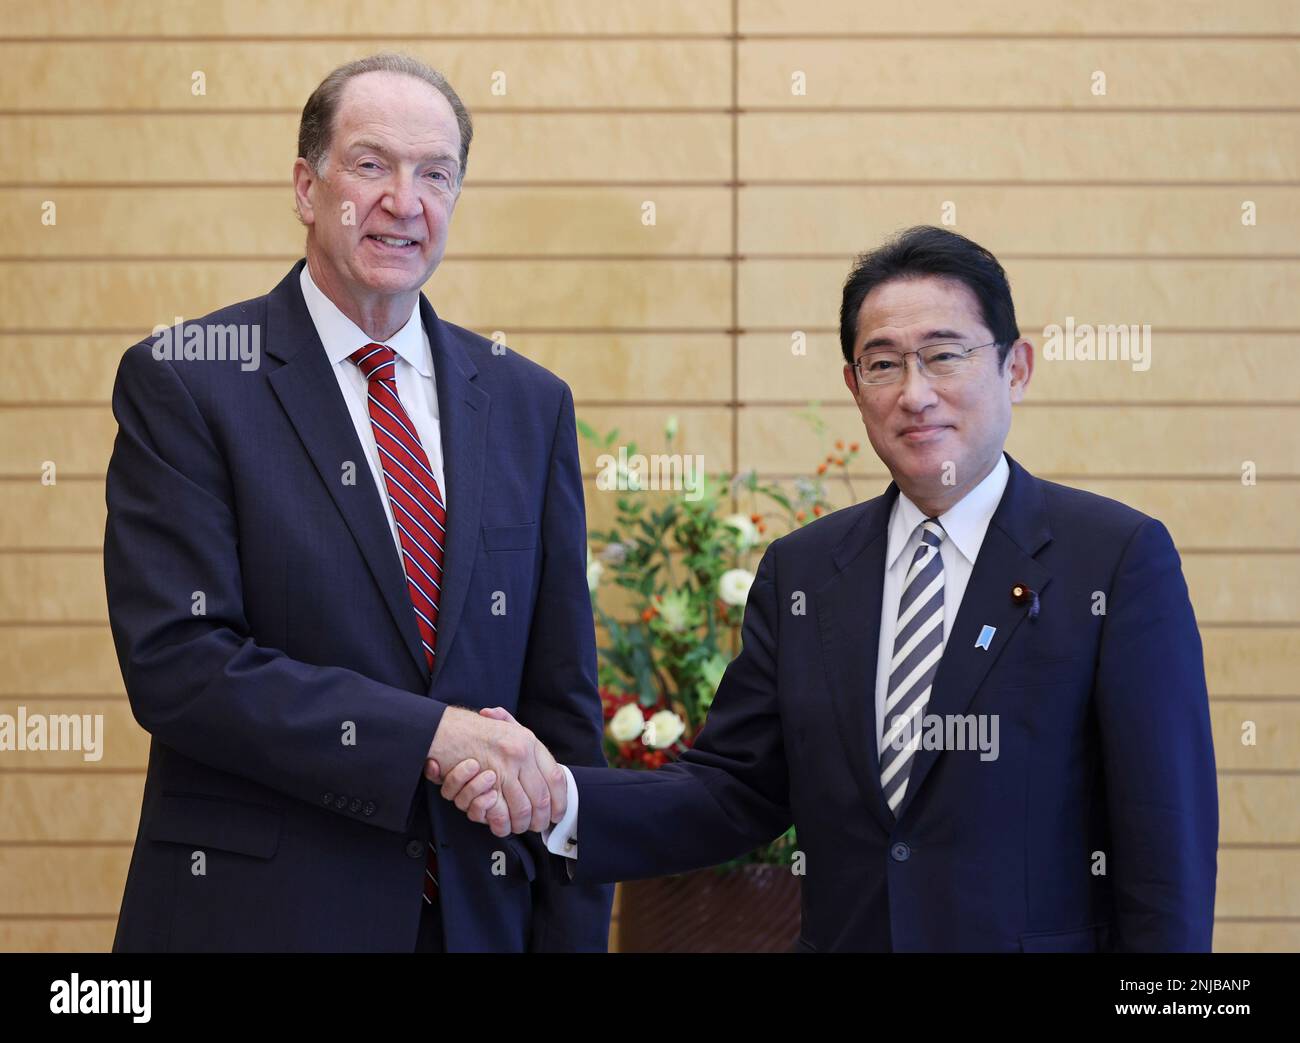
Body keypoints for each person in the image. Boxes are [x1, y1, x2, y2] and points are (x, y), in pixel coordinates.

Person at [438, 226, 1219, 952]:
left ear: (1016, 368)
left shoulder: (1114, 561)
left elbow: (1164, 843)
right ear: (854, 385)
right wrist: (557, 797)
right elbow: (731, 791)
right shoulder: (805, 573)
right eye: (883, 363)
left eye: (944, 355)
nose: (914, 392)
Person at [104, 52, 610, 952]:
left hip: (474, 919)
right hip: (260, 920)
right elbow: (180, 664)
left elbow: (562, 706)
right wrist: (431, 735)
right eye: (372, 164)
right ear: (307, 187)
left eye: (436, 173)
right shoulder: (188, 380)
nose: (405, 199)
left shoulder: (530, 404)